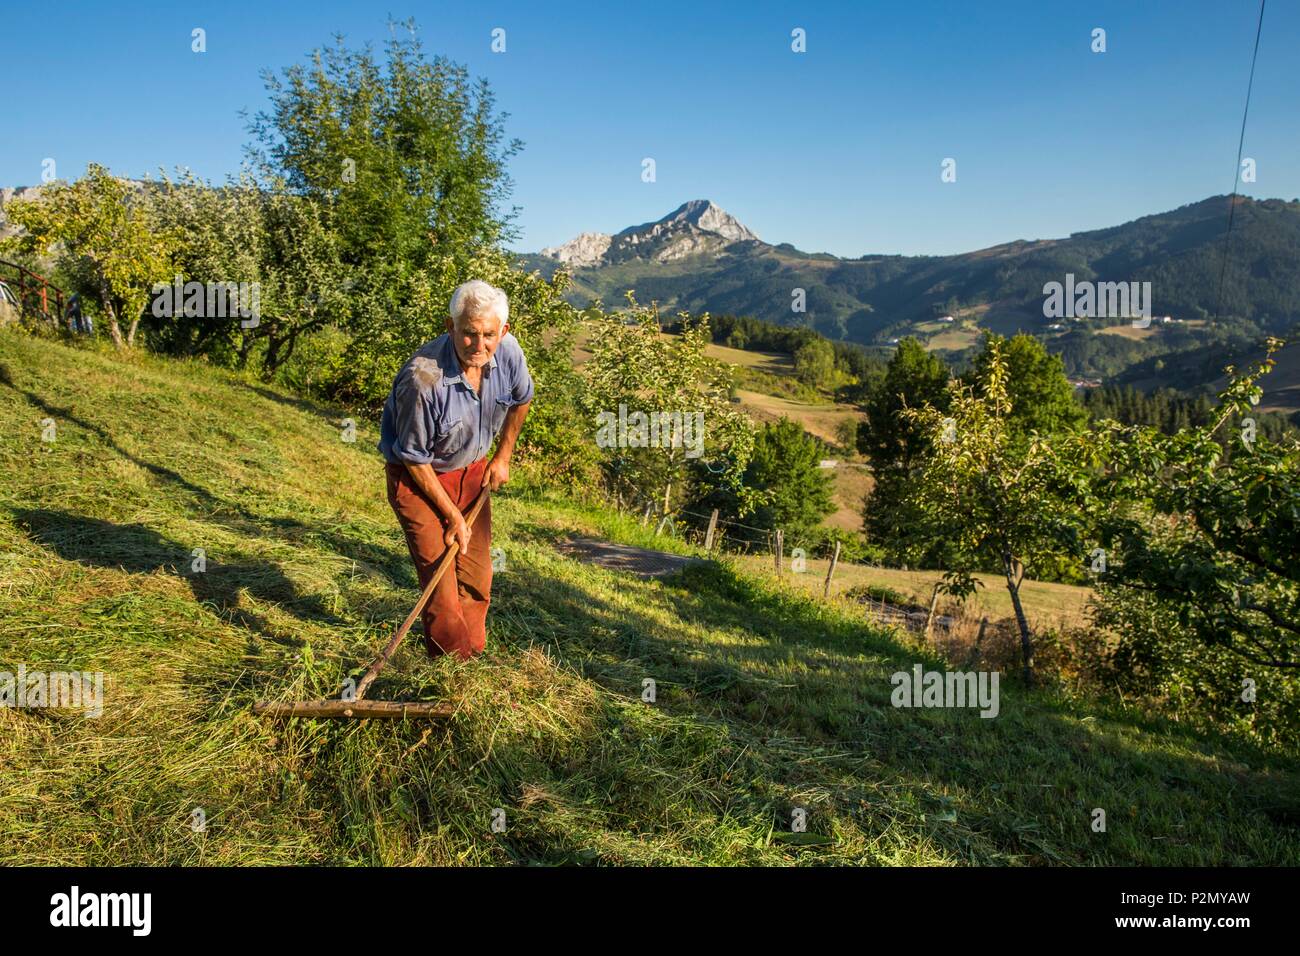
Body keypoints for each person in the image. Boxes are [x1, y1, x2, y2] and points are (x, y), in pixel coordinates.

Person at [377, 280, 533, 660]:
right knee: (441, 585)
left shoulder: (508, 352)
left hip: (472, 472)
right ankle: (453, 673)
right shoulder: (422, 380)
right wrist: (451, 516)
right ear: (450, 327)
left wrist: (503, 457)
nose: (479, 346)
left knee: (478, 577)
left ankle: (471, 654)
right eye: (468, 334)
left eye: (489, 335)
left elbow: (522, 399)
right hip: (418, 481)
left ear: (504, 331)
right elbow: (413, 457)